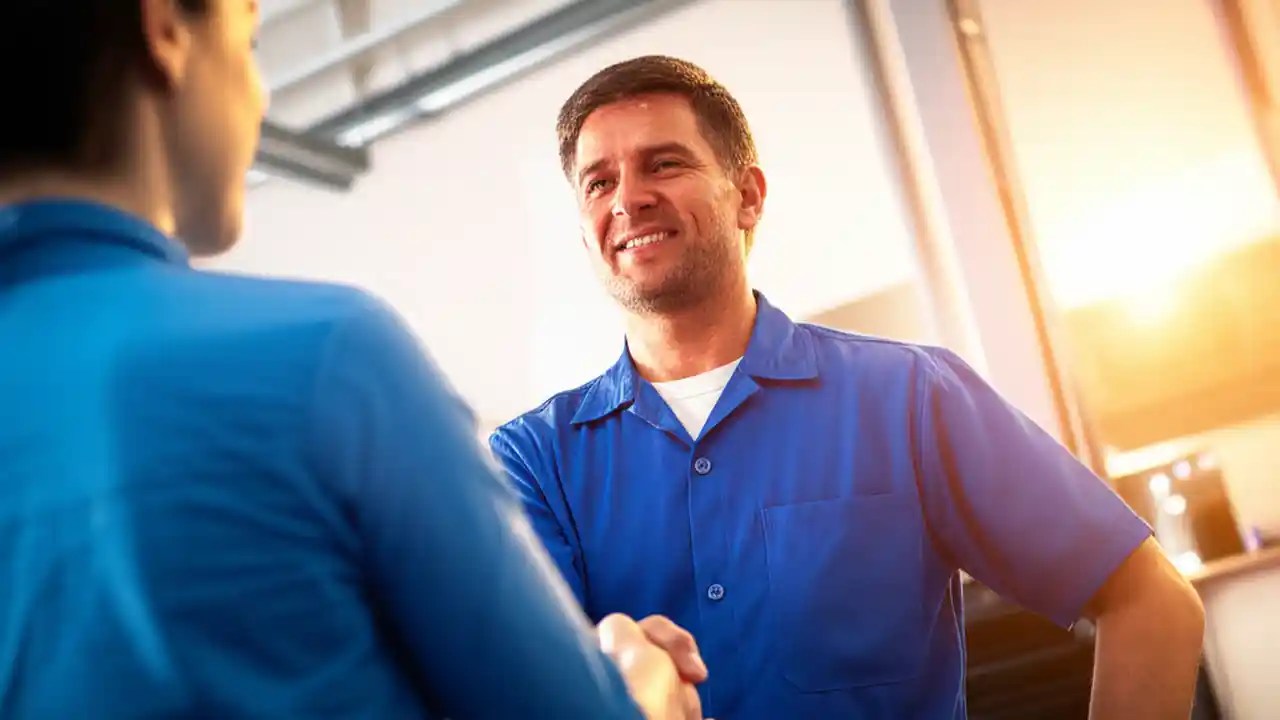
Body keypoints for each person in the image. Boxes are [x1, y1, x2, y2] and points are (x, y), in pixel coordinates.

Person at [0, 3, 706, 718]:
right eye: (247, 44)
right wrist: (636, 669)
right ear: (166, 28)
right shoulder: (321, 359)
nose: (259, 95)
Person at [489, 55, 1206, 719]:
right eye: (599, 181)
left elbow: (1153, 604)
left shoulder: (909, 398)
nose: (629, 199)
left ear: (747, 195)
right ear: (584, 230)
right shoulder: (533, 462)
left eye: (663, 164)